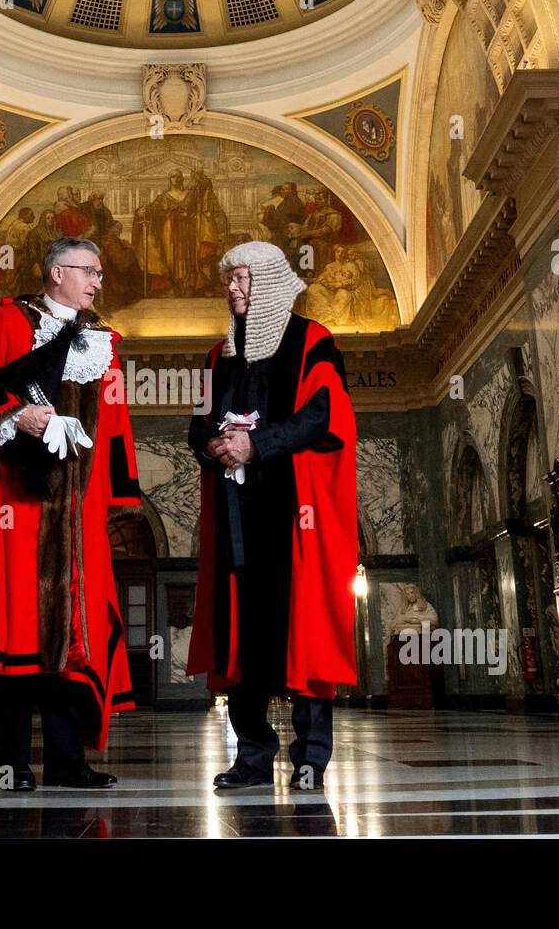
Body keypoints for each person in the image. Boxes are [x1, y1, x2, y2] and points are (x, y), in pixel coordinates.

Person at [0, 237, 143, 792]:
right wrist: (19, 415)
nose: (98, 281)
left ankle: (68, 763)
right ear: (56, 272)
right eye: (89, 271)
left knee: (75, 639)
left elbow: (115, 423)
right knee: (16, 627)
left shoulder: (102, 342)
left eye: (100, 273)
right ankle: (13, 763)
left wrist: (116, 500)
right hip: (17, 505)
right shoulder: (10, 322)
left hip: (76, 513)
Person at [187, 241, 358, 791]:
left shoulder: (314, 341)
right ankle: (253, 757)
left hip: (292, 513)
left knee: (302, 631)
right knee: (243, 637)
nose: (232, 289)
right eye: (228, 280)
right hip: (236, 515)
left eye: (241, 278)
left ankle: (310, 757)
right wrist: (214, 445)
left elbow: (324, 415)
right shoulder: (217, 357)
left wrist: (256, 445)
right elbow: (197, 424)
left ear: (269, 280)